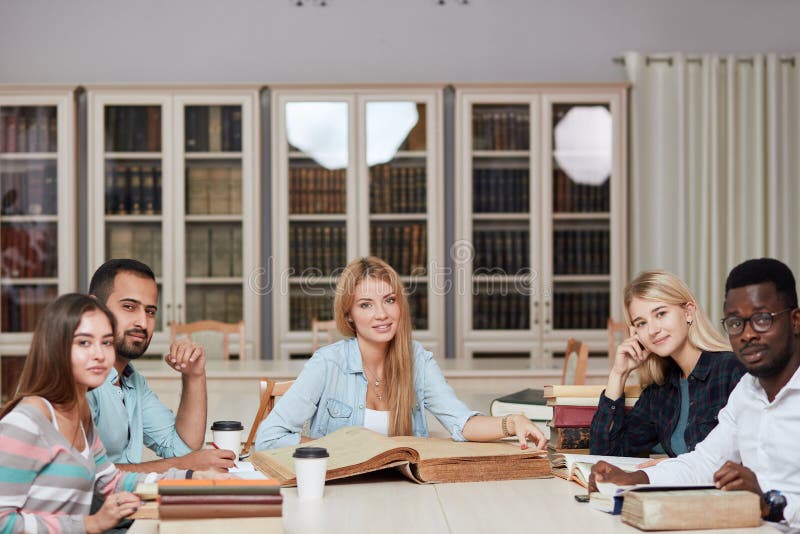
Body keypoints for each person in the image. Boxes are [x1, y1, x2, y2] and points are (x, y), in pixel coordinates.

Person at [591, 258, 800, 529]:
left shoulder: (733, 373)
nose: (747, 335)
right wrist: (635, 479)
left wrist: (768, 503)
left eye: (762, 319)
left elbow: (767, 497)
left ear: (795, 321)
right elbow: (705, 461)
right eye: (736, 323)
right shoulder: (748, 390)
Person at [256, 256, 546, 450]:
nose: (381, 314)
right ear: (349, 316)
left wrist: (512, 422)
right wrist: (340, 449)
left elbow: (462, 423)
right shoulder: (327, 363)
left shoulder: (416, 359)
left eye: (389, 300)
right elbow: (268, 438)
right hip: (339, 493)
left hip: (406, 495)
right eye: (366, 305)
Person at [0, 294, 224, 533]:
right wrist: (89, 524)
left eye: (106, 342)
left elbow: (111, 481)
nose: (99, 354)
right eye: (84, 343)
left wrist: (190, 479)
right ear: (56, 349)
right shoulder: (28, 421)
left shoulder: (80, 417)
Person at [87, 259, 235, 472]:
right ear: (95, 308)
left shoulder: (131, 381)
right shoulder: (82, 380)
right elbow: (83, 475)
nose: (143, 323)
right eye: (129, 307)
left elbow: (181, 449)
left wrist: (193, 376)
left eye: (150, 311)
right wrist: (179, 465)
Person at [590, 270, 746, 457]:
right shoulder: (660, 393)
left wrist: (674, 469)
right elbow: (606, 456)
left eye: (661, 314)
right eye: (641, 323)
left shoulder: (732, 370)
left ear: (688, 312)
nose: (653, 330)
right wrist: (618, 374)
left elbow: (753, 457)